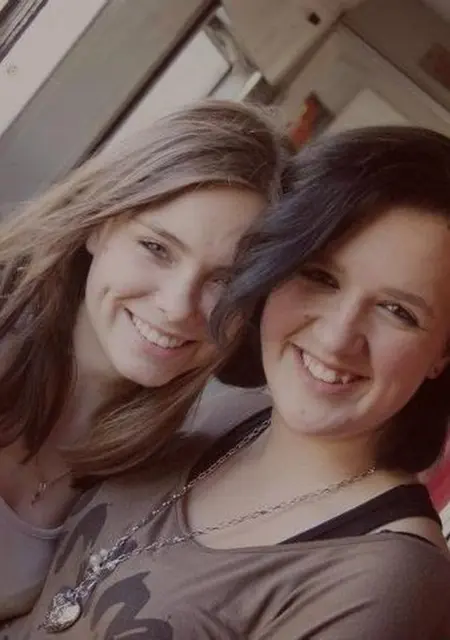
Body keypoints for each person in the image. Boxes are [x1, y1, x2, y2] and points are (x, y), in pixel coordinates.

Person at [7, 125, 450, 640]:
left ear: (442, 353)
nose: (336, 337)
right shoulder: (219, 416)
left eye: (398, 311)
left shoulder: (387, 578)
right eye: (320, 277)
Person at [0, 99, 288, 620]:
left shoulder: (162, 474)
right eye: (157, 248)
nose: (178, 305)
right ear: (100, 225)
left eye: (224, 282)